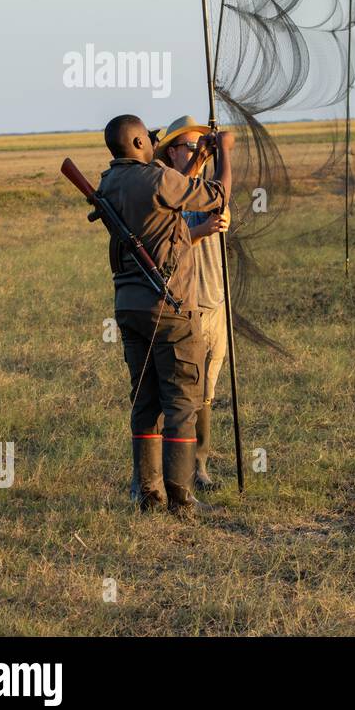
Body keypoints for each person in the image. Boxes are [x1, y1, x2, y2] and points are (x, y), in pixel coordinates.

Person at [98, 114, 233, 514]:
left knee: (145, 401)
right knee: (182, 403)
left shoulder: (109, 182)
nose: (154, 142)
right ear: (139, 143)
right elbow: (218, 195)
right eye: (149, 138)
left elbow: (167, 204)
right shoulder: (156, 179)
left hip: (129, 307)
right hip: (170, 307)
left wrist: (197, 159)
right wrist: (225, 152)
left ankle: (148, 493)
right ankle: (181, 497)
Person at [156, 115, 229, 491]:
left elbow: (221, 202)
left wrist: (217, 157)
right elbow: (167, 244)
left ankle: (200, 464)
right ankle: (174, 470)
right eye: (190, 146)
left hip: (215, 300)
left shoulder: (205, 190)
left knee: (208, 392)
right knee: (184, 390)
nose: (198, 151)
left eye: (201, 146)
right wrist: (198, 232)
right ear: (172, 152)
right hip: (185, 306)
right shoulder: (163, 192)